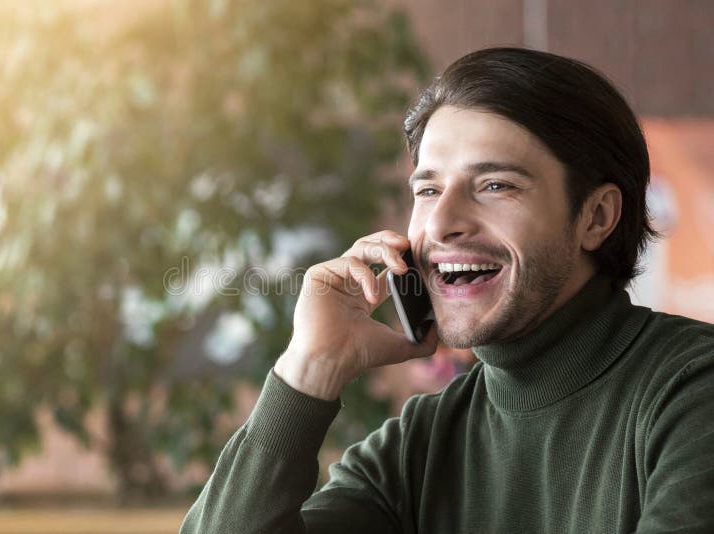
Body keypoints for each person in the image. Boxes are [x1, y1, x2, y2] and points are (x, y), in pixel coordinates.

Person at [179, 47, 714, 533]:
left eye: (495, 185)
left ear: (595, 217)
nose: (441, 224)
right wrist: (310, 366)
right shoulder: (418, 448)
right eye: (428, 189)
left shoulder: (691, 393)